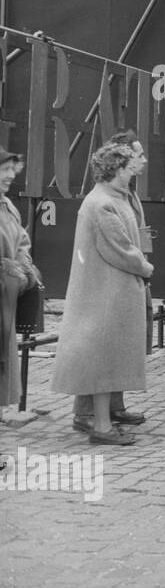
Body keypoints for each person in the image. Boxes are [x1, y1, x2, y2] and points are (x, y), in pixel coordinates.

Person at [51, 143, 153, 445]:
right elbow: (120, 248)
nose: (133, 170)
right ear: (116, 169)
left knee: (106, 361)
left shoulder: (109, 199)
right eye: (128, 167)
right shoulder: (103, 203)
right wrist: (145, 267)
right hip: (106, 294)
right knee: (103, 361)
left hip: (108, 291)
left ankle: (104, 421)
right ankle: (103, 427)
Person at [0, 147, 40, 428]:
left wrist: (24, 267)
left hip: (7, 292)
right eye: (4, 170)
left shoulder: (7, 205)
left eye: (12, 170)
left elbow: (22, 241)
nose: (10, 176)